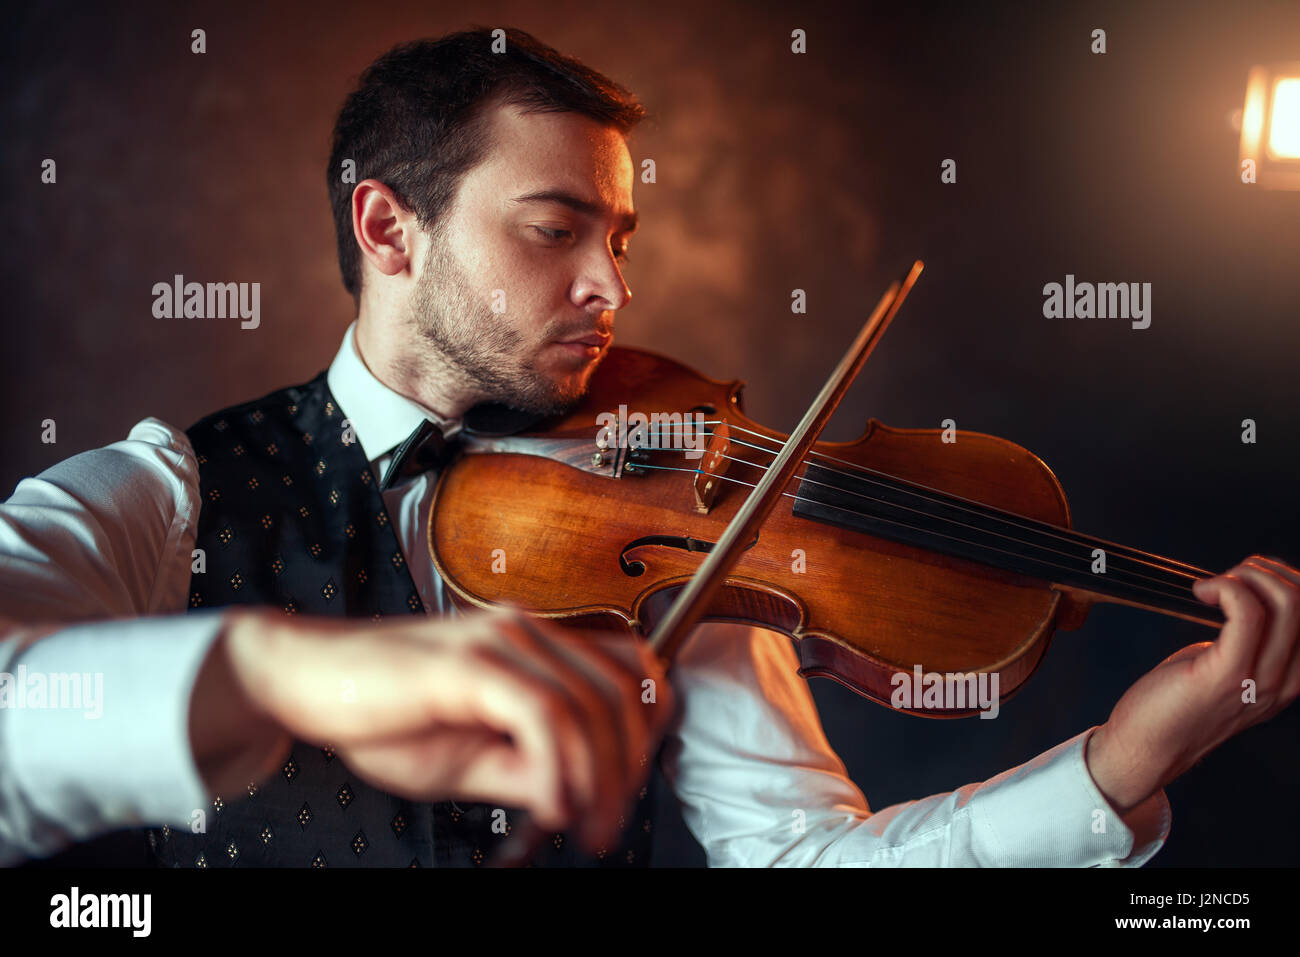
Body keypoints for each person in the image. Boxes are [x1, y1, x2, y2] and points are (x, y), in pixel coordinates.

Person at [2, 27, 1297, 868]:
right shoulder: (167, 498)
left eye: (619, 237)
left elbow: (801, 862)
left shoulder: (674, 519)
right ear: (388, 229)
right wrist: (286, 673)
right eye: (556, 229)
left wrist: (1128, 760)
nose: (611, 287)